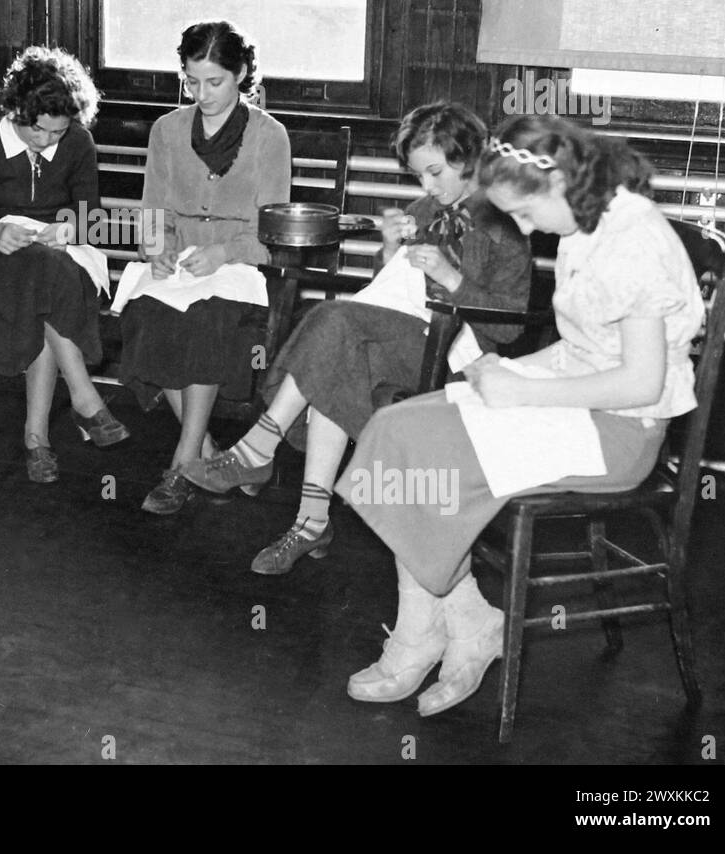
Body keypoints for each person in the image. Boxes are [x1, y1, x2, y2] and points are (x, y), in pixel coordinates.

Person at [337, 115, 703, 717]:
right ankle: (467, 616)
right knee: (392, 430)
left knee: (430, 453)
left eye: (526, 214)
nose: (526, 228)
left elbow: (642, 382)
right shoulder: (590, 219)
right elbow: (587, 344)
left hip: (618, 433)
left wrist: (522, 391)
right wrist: (517, 374)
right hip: (579, 401)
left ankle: (419, 632)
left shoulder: (634, 241)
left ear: (557, 181)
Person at [181, 101, 532, 572]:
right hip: (400, 333)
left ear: (468, 158)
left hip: (455, 354)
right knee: (338, 350)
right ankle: (310, 520)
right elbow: (387, 290)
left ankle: (258, 447)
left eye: (434, 172)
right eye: (418, 176)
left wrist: (451, 279)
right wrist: (390, 250)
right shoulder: (425, 208)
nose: (426, 187)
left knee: (334, 323)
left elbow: (509, 327)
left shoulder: (504, 221)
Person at [118, 20, 292, 515]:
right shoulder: (167, 130)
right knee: (147, 317)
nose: (202, 93)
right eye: (192, 81)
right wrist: (157, 248)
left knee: (205, 322)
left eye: (214, 81)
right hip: (179, 268)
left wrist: (224, 252)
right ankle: (214, 456)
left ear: (240, 75)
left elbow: (273, 228)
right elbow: (153, 212)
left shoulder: (268, 136)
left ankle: (182, 461)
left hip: (238, 266)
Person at [0, 45, 128, 483]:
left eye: (58, 132)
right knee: (40, 272)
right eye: (39, 131)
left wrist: (69, 229)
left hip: (66, 257)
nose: (48, 141)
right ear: (16, 109)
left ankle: (37, 437)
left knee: (47, 275)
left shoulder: (78, 142)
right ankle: (85, 400)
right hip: (4, 258)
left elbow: (92, 218)